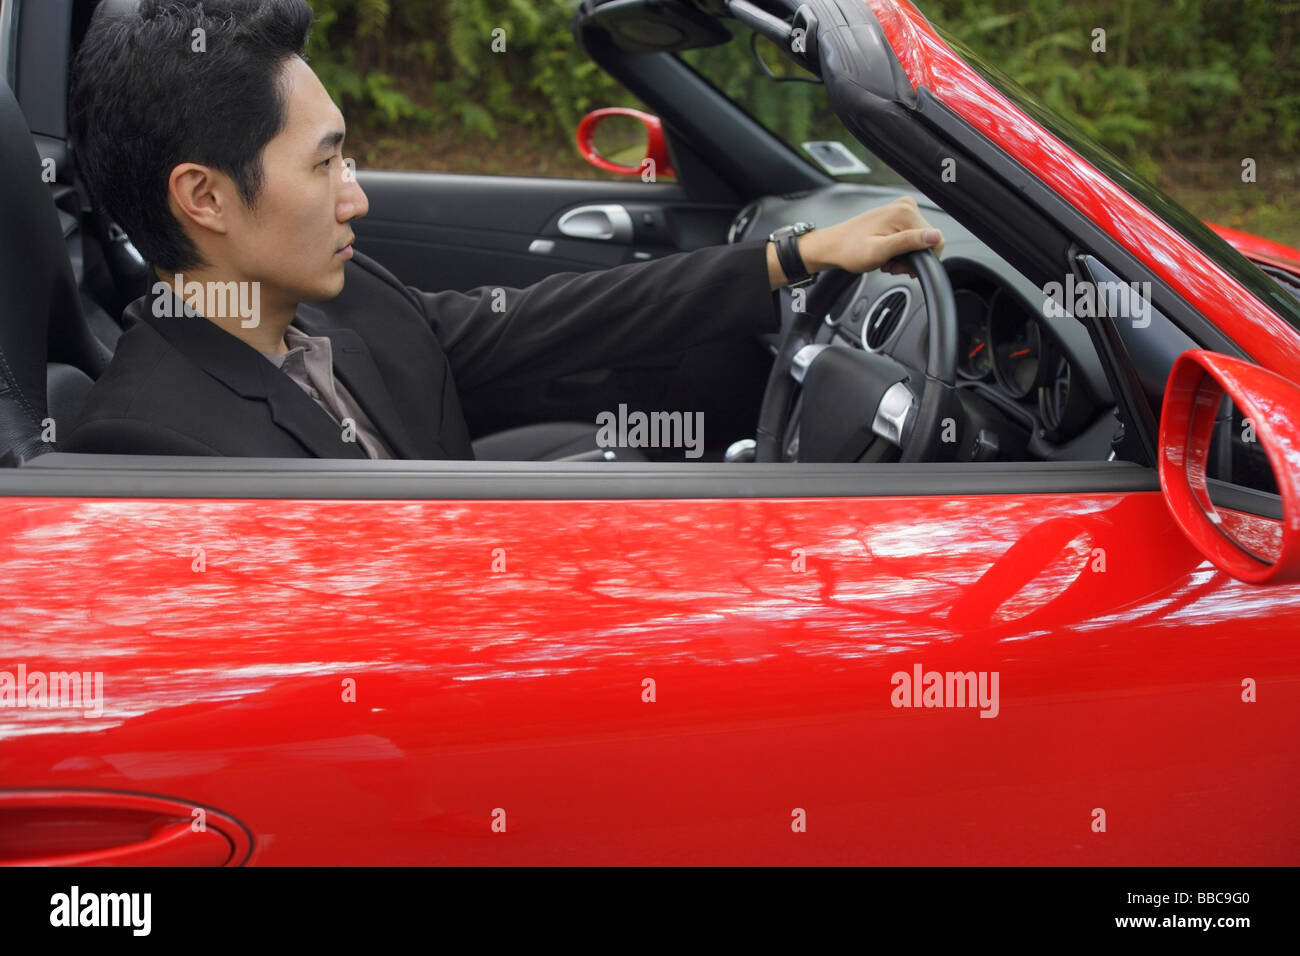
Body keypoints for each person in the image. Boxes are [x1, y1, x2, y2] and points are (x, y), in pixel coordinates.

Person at [63, 0, 943, 460]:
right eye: (325, 163)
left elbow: (554, 319)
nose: (354, 198)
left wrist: (796, 255)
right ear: (204, 198)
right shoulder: (154, 448)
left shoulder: (346, 302)